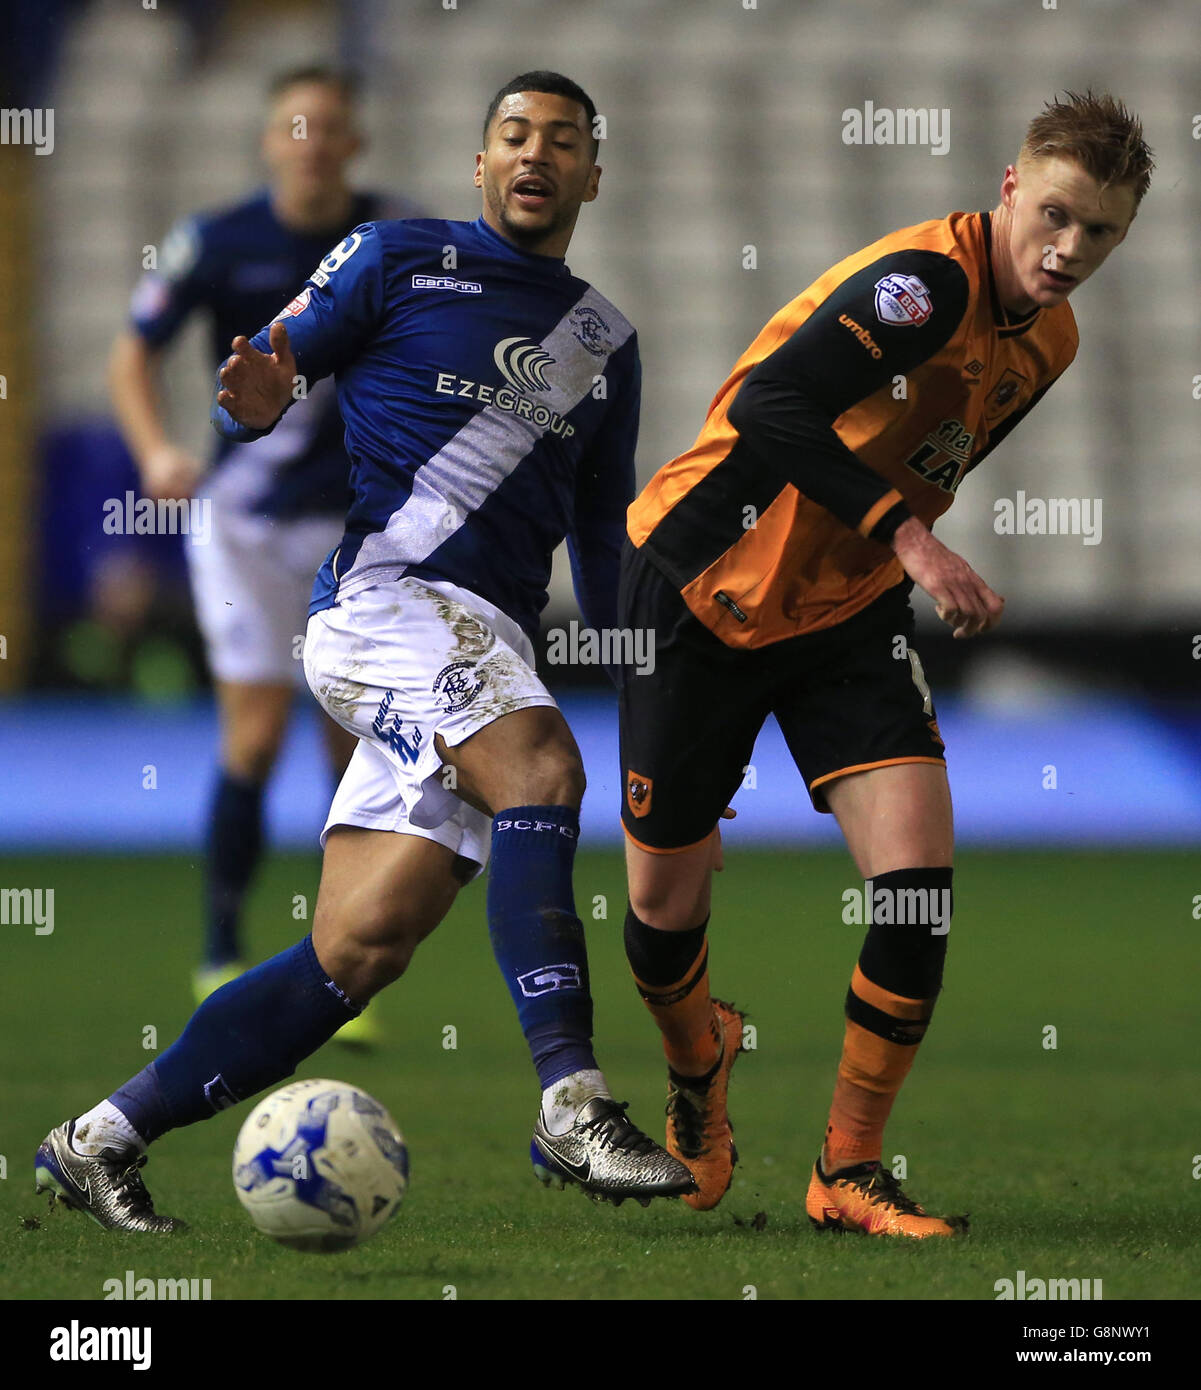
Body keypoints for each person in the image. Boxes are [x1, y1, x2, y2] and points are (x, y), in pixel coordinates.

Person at [36, 70, 695, 1230]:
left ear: (595, 174)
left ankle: (100, 1139)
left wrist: (641, 654)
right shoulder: (392, 256)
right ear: (479, 164)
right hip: (387, 603)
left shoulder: (605, 340)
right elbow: (273, 367)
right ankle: (572, 1103)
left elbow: (599, 524)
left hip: (487, 636)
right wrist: (246, 403)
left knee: (356, 950)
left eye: (562, 142)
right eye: (512, 135)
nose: (535, 154)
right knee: (541, 771)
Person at [617, 90, 1152, 1233]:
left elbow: (926, 452)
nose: (1068, 251)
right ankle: (698, 1065)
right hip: (703, 581)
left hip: (847, 609)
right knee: (660, 913)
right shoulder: (927, 285)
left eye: (1098, 233)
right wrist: (910, 538)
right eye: (1053, 215)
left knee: (917, 891)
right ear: (1009, 190)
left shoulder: (1051, 341)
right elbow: (770, 405)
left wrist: (890, 553)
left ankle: (845, 1170)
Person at [109, 66, 420, 1022]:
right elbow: (134, 351)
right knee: (252, 734)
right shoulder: (217, 239)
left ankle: (341, 966)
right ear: (269, 141)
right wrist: (156, 449)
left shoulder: (396, 237)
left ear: (353, 142)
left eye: (331, 127)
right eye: (297, 127)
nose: (313, 142)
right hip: (241, 524)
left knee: (349, 744)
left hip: (349, 530)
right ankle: (220, 949)